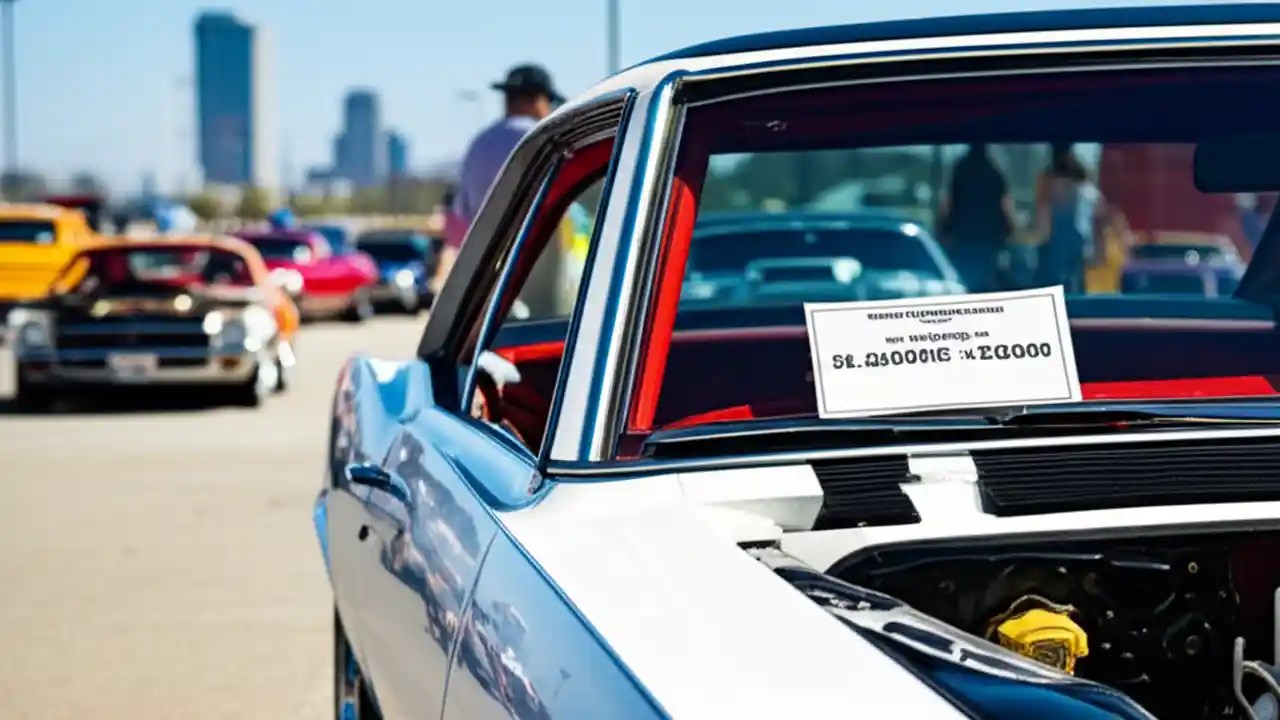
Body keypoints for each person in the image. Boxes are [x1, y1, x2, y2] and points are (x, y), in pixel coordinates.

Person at [435, 64, 565, 294]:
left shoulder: (478, 144)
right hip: (535, 265)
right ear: (537, 100)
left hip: (484, 271)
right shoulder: (544, 137)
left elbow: (460, 217)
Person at [937, 143, 1017, 293]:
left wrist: (942, 231)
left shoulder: (961, 169)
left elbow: (948, 203)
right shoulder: (995, 171)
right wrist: (1010, 230)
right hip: (989, 240)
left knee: (963, 286)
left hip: (963, 239)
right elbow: (1005, 206)